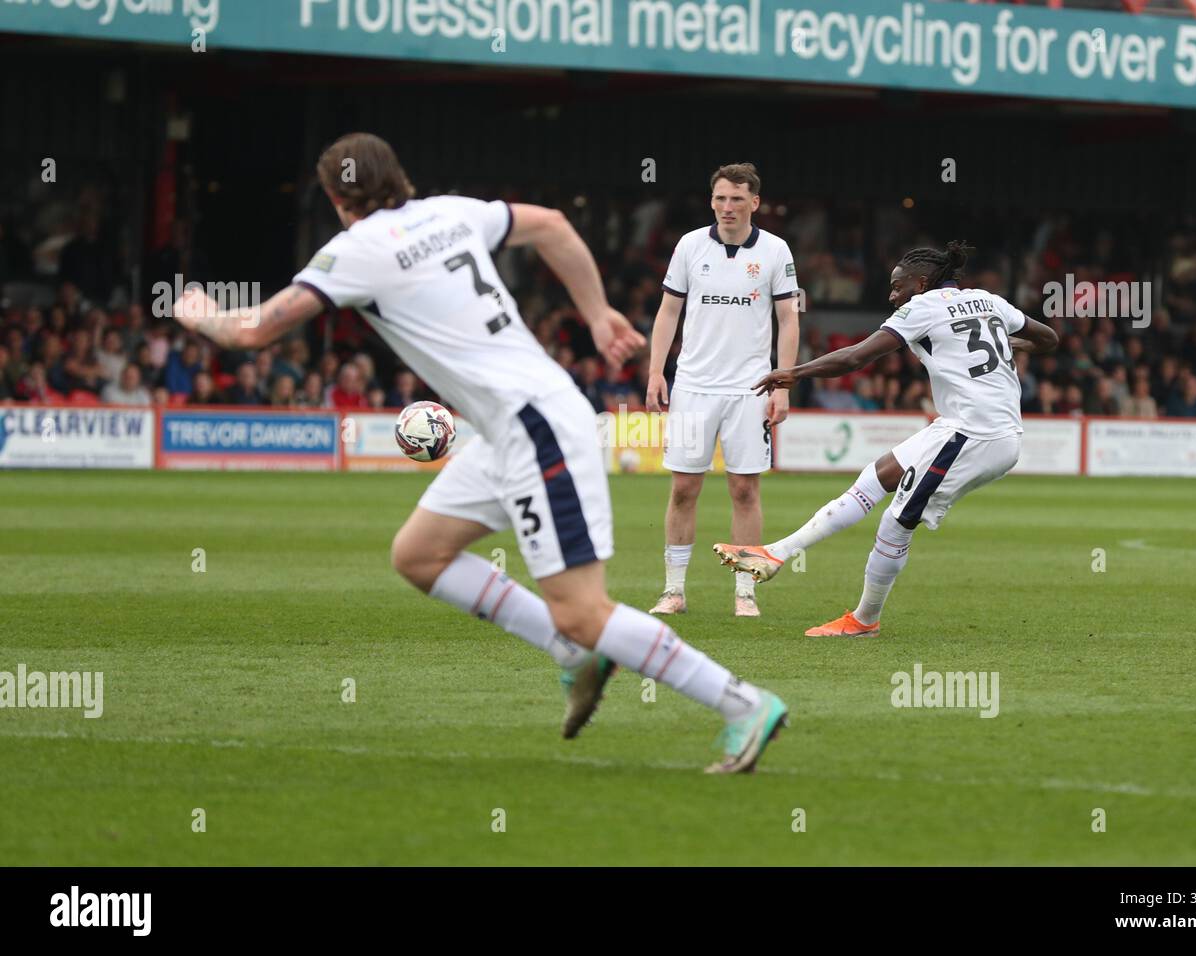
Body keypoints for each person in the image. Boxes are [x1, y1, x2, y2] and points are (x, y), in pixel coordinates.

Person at [173, 132, 788, 773]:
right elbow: (550, 224)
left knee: (583, 610)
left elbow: (253, 329)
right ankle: (570, 651)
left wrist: (199, 312)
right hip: (513, 425)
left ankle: (741, 702)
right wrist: (598, 312)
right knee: (419, 554)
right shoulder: (448, 212)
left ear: (334, 197)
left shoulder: (355, 249)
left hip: (535, 428)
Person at [713, 241, 1058, 636]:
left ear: (922, 282)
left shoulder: (922, 308)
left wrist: (795, 372)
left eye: (898, 287)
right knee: (875, 477)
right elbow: (1048, 338)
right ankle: (775, 553)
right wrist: (1012, 344)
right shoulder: (988, 300)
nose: (893, 296)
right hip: (968, 425)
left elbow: (855, 358)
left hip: (976, 435)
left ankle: (864, 620)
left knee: (895, 523)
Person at [644, 163, 801, 617]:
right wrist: (657, 371)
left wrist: (783, 383)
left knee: (745, 490)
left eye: (736, 199)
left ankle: (744, 591)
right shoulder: (691, 245)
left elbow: (789, 318)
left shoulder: (775, 250)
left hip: (750, 390)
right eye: (719, 198)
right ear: (711, 200)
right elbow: (668, 311)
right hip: (693, 387)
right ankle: (674, 591)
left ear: (755, 202)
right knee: (683, 490)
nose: (726, 207)